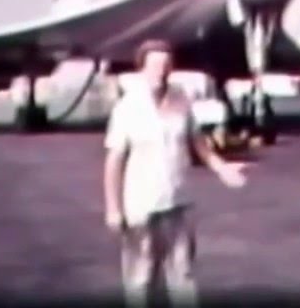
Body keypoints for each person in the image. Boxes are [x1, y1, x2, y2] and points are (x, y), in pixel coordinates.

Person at [103, 39, 249, 308]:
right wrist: (113, 209)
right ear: (142, 69)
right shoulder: (127, 108)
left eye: (166, 65)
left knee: (183, 274)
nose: (162, 71)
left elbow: (198, 143)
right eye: (155, 65)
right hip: (140, 206)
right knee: (141, 277)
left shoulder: (180, 99)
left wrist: (221, 168)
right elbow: (114, 161)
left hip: (178, 201)